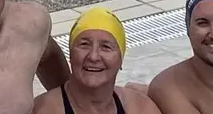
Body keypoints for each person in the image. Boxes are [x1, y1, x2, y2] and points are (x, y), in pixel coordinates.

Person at [32, 7, 162, 114]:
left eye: (106, 47)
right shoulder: (42, 110)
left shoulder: (140, 108)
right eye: (84, 45)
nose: (93, 56)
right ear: (71, 55)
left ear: (121, 59)